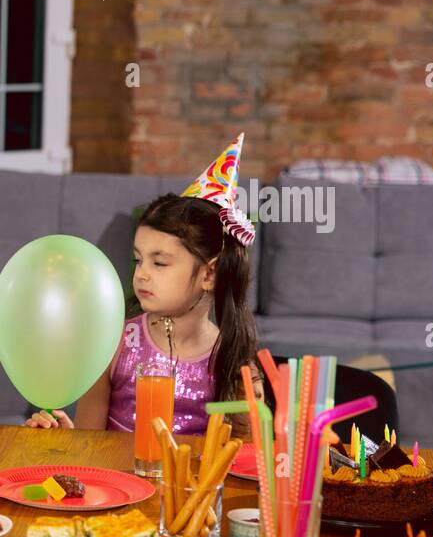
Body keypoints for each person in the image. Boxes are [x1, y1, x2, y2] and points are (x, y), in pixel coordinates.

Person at [27, 135, 260, 437]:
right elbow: (88, 444)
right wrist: (64, 436)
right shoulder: (113, 344)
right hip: (118, 484)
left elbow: (244, 465)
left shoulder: (232, 363)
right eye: (138, 260)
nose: (141, 274)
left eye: (159, 263)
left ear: (209, 274)